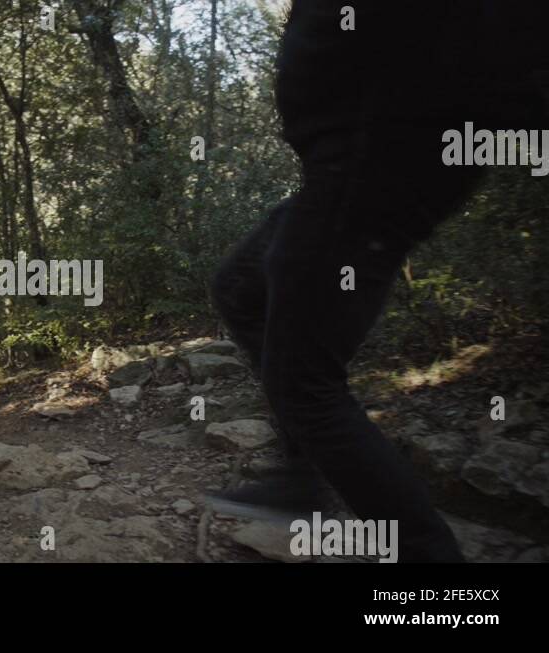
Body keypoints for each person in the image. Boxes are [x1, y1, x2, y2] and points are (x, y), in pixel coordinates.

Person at [205, 0, 549, 562]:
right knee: (241, 285)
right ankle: (299, 481)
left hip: (379, 156)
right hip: (351, 161)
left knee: (306, 384)